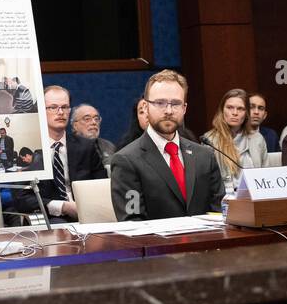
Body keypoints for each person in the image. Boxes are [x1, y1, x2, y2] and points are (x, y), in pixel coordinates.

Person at [110, 70, 223, 220]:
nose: (168, 111)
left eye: (176, 104)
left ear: (184, 108)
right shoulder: (126, 160)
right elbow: (132, 223)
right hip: (157, 243)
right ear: (145, 107)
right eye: (160, 103)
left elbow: (219, 212)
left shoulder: (205, 156)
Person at [6, 86, 106, 224]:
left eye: (64, 107)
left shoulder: (86, 147)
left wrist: (86, 208)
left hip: (89, 214)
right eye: (53, 107)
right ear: (41, 110)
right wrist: (62, 207)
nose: (60, 112)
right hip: (51, 217)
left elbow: (102, 187)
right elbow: (21, 198)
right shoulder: (32, 150)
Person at [204, 89, 267, 193]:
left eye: (240, 109)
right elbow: (208, 184)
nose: (234, 113)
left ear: (246, 113)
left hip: (255, 197)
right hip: (225, 200)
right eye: (229, 108)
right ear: (222, 110)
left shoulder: (257, 139)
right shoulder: (210, 140)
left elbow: (265, 176)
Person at [71, 103, 116, 168]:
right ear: (75, 125)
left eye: (96, 119)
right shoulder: (67, 148)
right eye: (87, 119)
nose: (94, 122)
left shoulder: (108, 146)